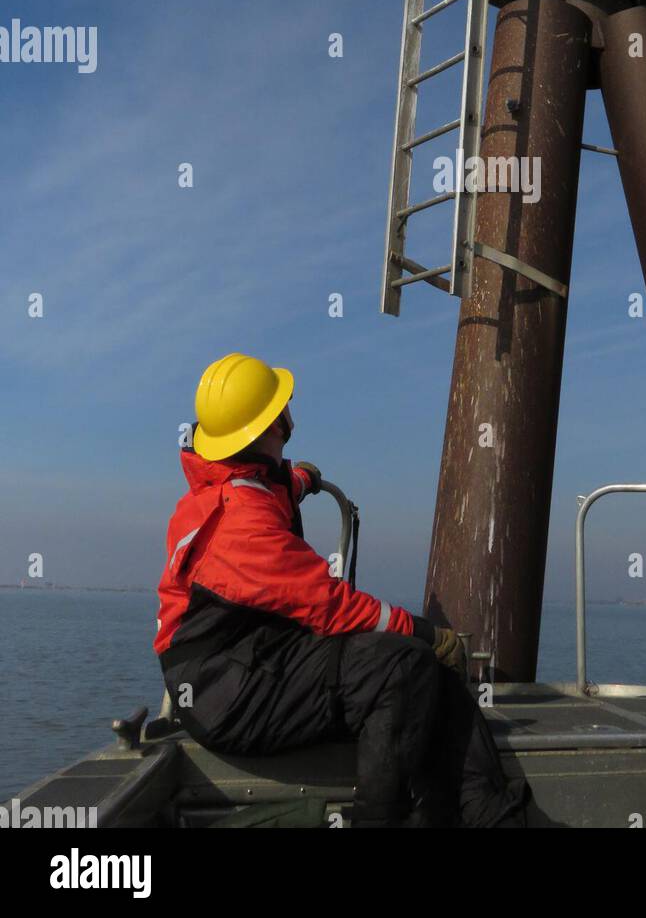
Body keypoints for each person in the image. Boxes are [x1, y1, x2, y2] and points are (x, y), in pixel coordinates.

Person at [154, 352, 529, 828]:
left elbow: (271, 489)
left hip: (239, 661)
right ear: (272, 426)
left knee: (432, 675)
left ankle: (489, 817)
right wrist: (425, 633)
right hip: (224, 693)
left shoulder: (229, 487)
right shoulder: (243, 524)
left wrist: (302, 479)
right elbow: (331, 606)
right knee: (402, 666)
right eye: (282, 409)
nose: (290, 418)